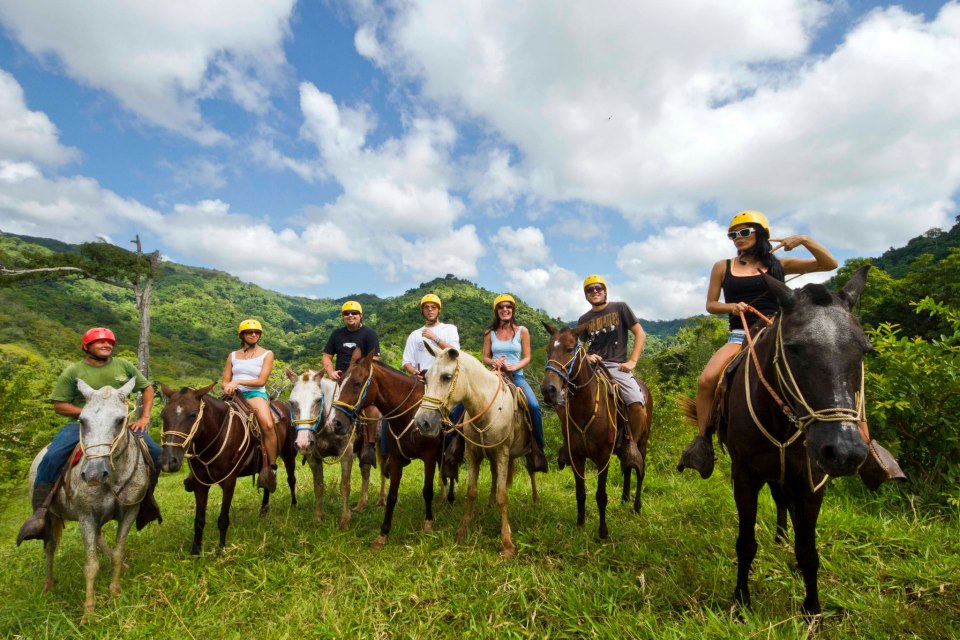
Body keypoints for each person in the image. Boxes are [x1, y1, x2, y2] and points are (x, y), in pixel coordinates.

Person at [676, 211, 906, 486]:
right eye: (733, 235)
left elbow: (828, 263)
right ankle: (703, 442)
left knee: (833, 372)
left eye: (744, 232)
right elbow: (711, 304)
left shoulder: (779, 264)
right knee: (707, 379)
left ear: (761, 233)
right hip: (741, 334)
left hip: (779, 333)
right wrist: (731, 306)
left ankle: (867, 447)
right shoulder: (722, 267)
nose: (737, 238)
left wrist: (805, 239)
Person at [17, 327, 162, 544]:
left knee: (156, 454)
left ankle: (145, 501)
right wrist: (91, 413)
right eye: (101, 342)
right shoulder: (74, 372)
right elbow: (60, 405)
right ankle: (41, 513)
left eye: (110, 343)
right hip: (81, 425)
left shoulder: (124, 366)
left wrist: (145, 417)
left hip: (119, 425)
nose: (107, 345)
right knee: (51, 458)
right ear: (87, 347)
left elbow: (147, 388)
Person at [576, 275, 647, 473]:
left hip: (616, 366)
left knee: (635, 402)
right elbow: (578, 348)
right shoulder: (584, 320)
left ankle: (631, 444)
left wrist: (632, 361)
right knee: (563, 399)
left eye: (598, 288)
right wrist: (587, 357)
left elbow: (640, 333)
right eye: (590, 290)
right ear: (586, 295)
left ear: (605, 290)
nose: (595, 292)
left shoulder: (620, 308)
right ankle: (571, 445)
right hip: (591, 366)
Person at [482, 294, 548, 473]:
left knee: (534, 406)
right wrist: (493, 362)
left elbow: (527, 357)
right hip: (494, 376)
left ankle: (538, 447)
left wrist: (514, 366)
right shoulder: (490, 332)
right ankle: (454, 443)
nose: (505, 310)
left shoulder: (522, 331)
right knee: (464, 405)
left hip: (516, 376)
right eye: (501, 307)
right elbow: (485, 357)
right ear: (497, 311)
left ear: (513, 310)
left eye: (508, 307)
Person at [402, 293, 464, 477]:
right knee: (394, 410)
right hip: (421, 380)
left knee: (457, 414)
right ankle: (393, 451)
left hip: (444, 382)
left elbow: (455, 353)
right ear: (422, 311)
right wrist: (415, 372)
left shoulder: (449, 329)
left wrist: (434, 338)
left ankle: (453, 452)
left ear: (438, 310)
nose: (430, 310)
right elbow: (406, 362)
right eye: (426, 307)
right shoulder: (415, 335)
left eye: (433, 307)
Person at [222, 319, 279, 492]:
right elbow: (224, 381)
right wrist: (228, 386)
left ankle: (272, 467)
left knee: (268, 425)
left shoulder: (267, 354)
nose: (253, 334)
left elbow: (261, 380)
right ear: (242, 335)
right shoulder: (232, 355)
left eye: (256, 332)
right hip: (233, 394)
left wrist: (237, 381)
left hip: (255, 393)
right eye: (249, 332)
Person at [323, 301, 382, 466]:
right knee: (318, 403)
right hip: (340, 381)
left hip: (361, 381)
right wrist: (330, 372)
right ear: (343, 317)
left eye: (354, 313)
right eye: (346, 313)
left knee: (371, 408)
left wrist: (359, 373)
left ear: (360, 315)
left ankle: (370, 445)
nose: (350, 316)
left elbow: (374, 359)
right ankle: (314, 442)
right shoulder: (336, 334)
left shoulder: (369, 334)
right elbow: (327, 356)